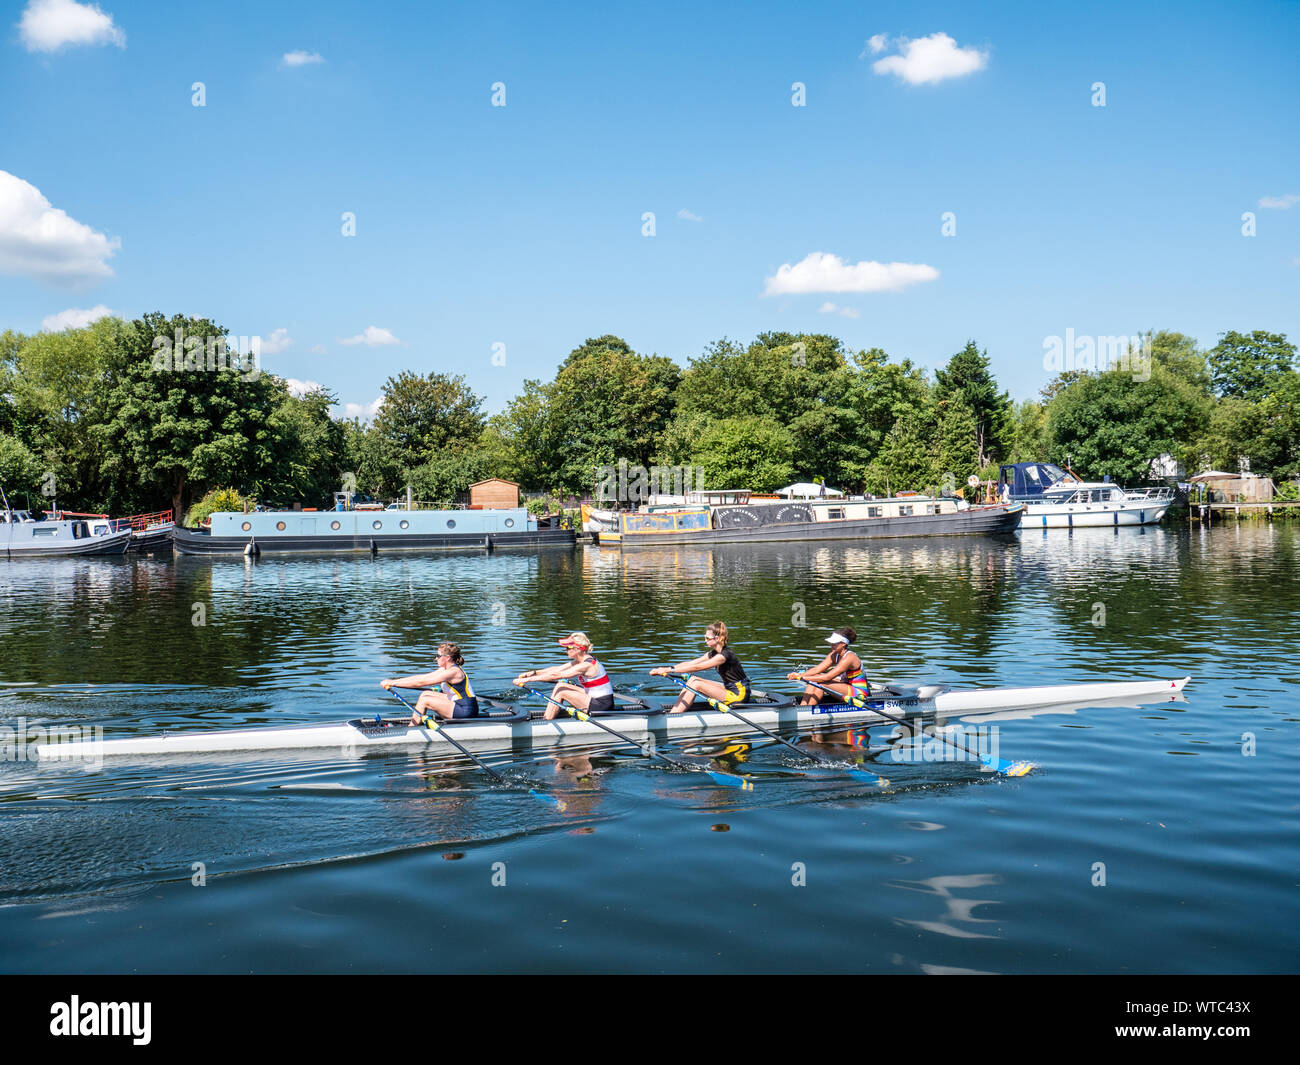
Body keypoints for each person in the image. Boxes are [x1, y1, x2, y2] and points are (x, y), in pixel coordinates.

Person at [650, 621, 751, 713]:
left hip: (739, 695)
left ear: (717, 639)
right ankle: (675, 710)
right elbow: (691, 663)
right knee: (692, 679)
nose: (705, 640)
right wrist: (665, 668)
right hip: (729, 689)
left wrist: (668, 670)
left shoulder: (723, 656)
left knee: (696, 684)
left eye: (707, 638)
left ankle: (674, 715)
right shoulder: (713, 653)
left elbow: (697, 667)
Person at [513, 632, 616, 720]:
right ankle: (550, 714)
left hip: (601, 705)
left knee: (561, 691)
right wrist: (533, 673)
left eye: (569, 647)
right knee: (560, 685)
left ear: (579, 648)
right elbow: (556, 669)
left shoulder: (586, 665)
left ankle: (547, 721)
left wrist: (527, 680)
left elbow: (556, 675)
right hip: (595, 698)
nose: (566, 650)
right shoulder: (581, 660)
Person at [381, 642, 479, 724]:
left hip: (466, 711)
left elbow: (421, 682)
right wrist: (393, 681)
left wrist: (393, 683)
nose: (436, 658)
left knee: (425, 700)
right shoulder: (445, 669)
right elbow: (421, 678)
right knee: (425, 694)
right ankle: (416, 723)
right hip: (458, 704)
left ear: (447, 658)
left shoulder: (453, 672)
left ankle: (411, 730)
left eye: (438, 656)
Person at [787, 627, 870, 706]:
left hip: (859, 693)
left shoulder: (849, 657)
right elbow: (817, 669)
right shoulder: (834, 655)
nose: (831, 645)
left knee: (820, 683)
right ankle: (803, 705)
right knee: (815, 677)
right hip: (845, 685)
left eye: (834, 643)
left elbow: (827, 677)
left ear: (843, 644)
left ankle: (807, 710)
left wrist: (802, 678)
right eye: (831, 643)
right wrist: (799, 675)